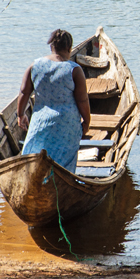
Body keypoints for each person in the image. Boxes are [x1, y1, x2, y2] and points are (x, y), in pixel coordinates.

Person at [17, 29, 91, 172]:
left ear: (51, 46)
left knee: (35, 156)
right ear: (69, 49)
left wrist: (20, 114)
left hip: (40, 122)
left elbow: (24, 92)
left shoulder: (34, 66)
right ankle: (62, 178)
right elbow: (82, 100)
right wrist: (87, 121)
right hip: (67, 125)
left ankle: (35, 177)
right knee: (64, 163)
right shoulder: (74, 70)